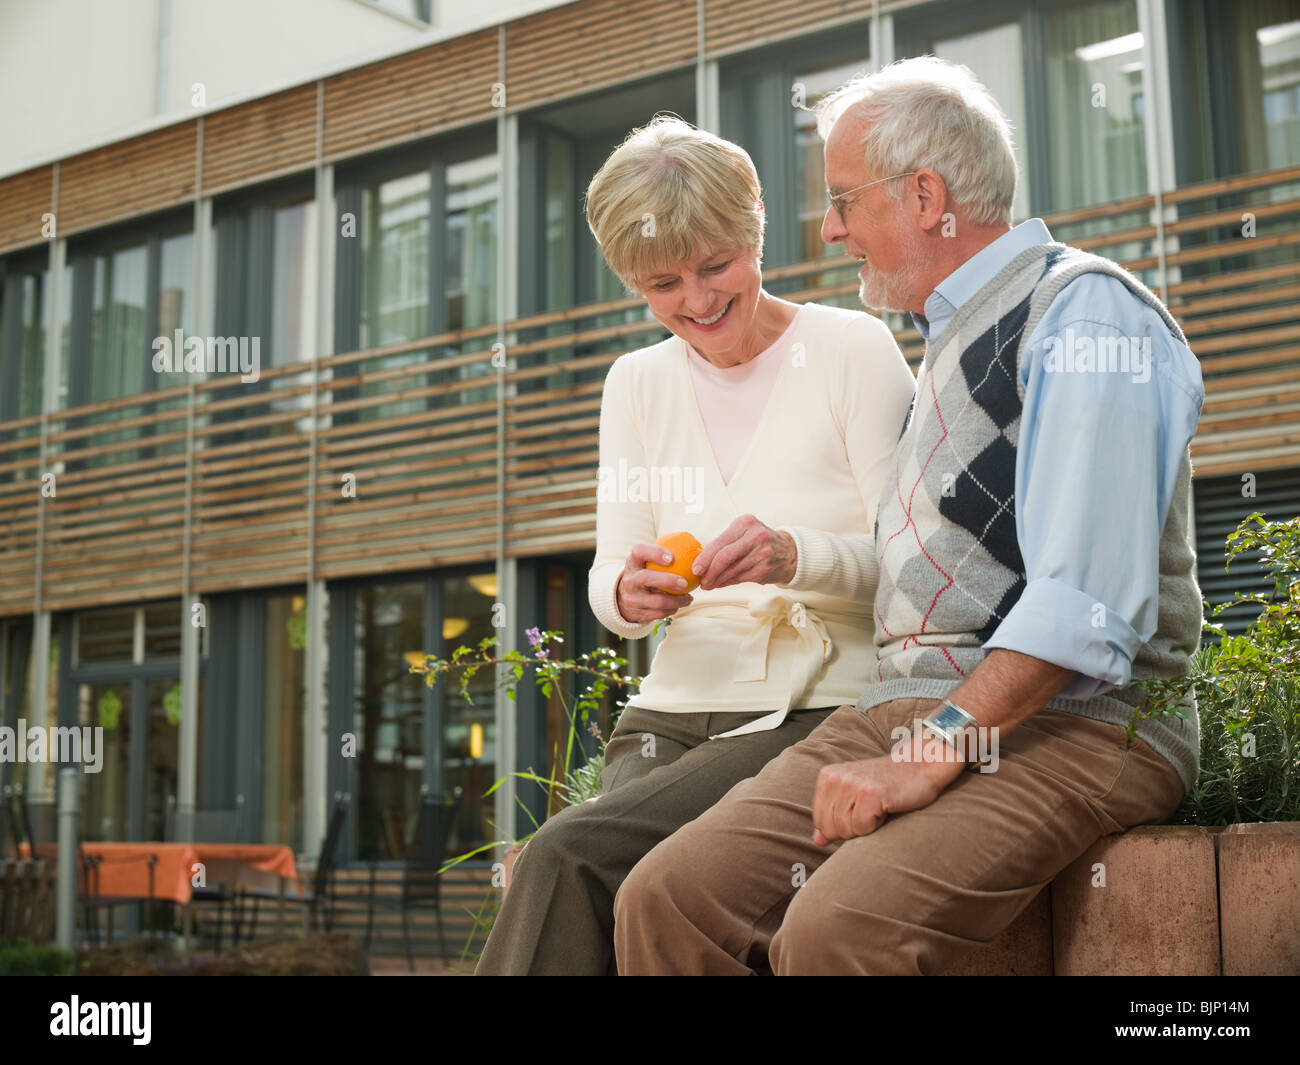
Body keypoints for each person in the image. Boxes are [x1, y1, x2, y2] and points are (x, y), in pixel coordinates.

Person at [612, 57, 1205, 975]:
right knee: (666, 898)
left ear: (925, 196)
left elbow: (1086, 606)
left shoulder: (1084, 315)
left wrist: (933, 748)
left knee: (837, 927)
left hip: (1082, 720)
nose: (829, 227)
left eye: (843, 200)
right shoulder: (945, 339)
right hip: (901, 707)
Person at [473, 115, 916, 975]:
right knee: (604, 892)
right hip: (669, 713)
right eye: (663, 283)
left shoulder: (850, 349)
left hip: (815, 707)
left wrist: (794, 555)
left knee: (569, 856)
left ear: (756, 231)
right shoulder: (635, 383)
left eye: (716, 266)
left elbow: (916, 566)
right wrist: (626, 593)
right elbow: (612, 574)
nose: (699, 300)